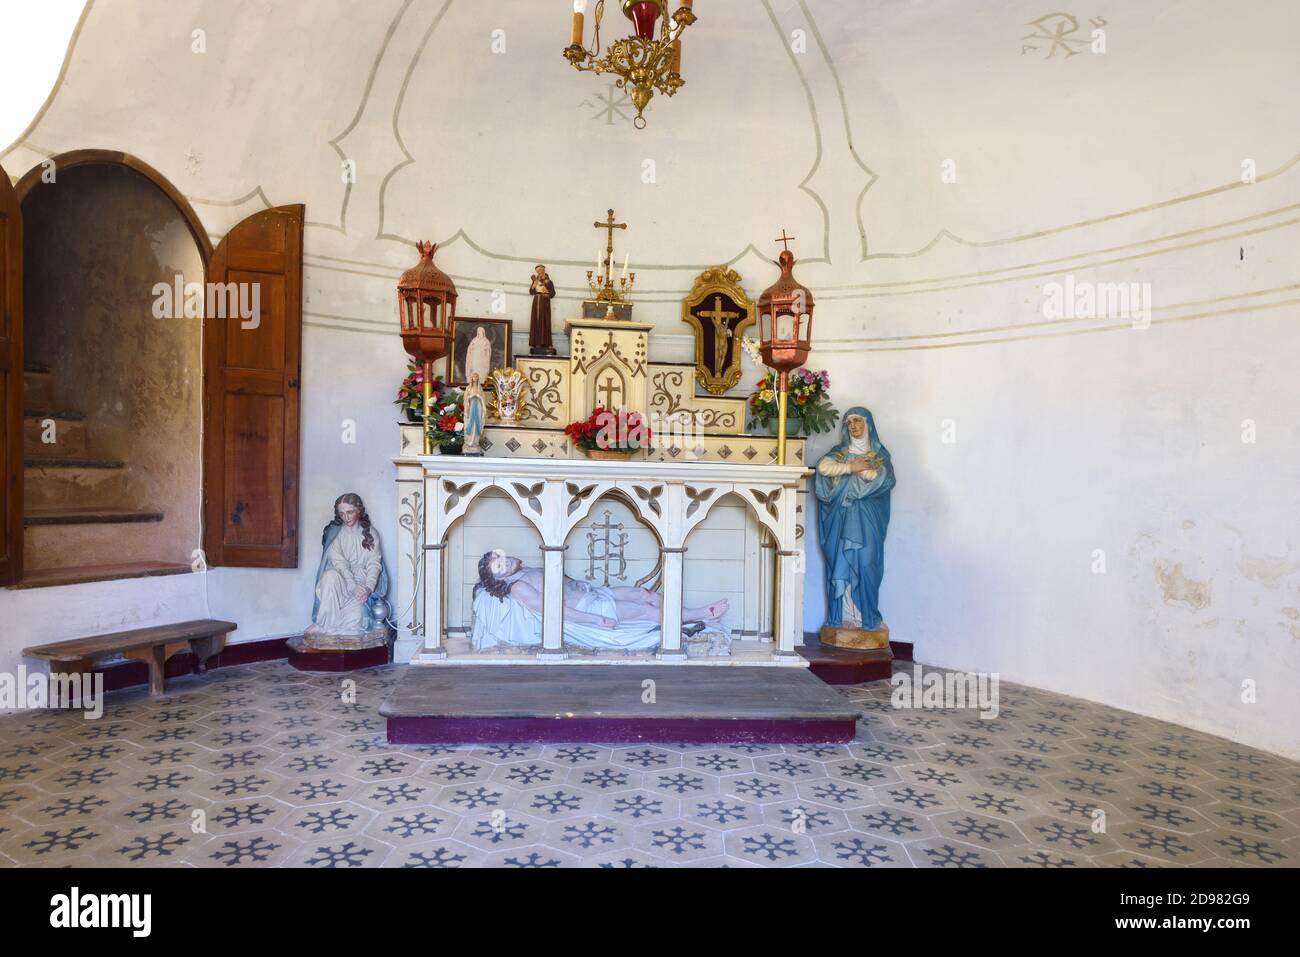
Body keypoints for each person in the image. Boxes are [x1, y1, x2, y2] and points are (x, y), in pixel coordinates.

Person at [470, 549, 728, 650]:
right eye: (499, 565)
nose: (507, 561)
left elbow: (560, 585)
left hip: (590, 594)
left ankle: (688, 613)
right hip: (587, 608)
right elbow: (555, 611)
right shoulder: (518, 588)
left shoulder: (525, 571)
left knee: (644, 594)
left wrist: (577, 583)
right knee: (644, 612)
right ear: (500, 577)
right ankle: (699, 615)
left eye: (501, 557)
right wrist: (596, 619)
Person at [813, 407, 895, 630]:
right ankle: (843, 617)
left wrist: (864, 474)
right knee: (841, 564)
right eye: (849, 423)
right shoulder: (840, 453)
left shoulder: (879, 456)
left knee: (867, 563)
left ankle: (867, 617)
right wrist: (851, 467)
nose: (854, 426)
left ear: (868, 424)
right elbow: (822, 468)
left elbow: (885, 481)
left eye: (858, 421)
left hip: (868, 521)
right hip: (841, 520)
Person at [305, 493, 389, 636]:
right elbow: (339, 564)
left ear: (359, 511)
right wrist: (351, 586)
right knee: (330, 576)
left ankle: (332, 631)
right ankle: (323, 624)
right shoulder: (336, 534)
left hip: (362, 585)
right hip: (341, 583)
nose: (346, 517)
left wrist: (367, 588)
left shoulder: (371, 533)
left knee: (357, 620)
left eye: (349, 512)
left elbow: (374, 563)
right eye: (342, 514)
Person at [528, 264, 556, 356]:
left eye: (540, 270)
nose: (539, 272)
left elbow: (552, 293)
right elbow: (531, 292)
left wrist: (545, 293)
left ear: (543, 270)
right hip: (536, 302)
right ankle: (537, 343)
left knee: (545, 322)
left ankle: (546, 343)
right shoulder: (536, 281)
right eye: (537, 270)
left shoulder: (548, 281)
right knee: (536, 321)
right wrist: (534, 285)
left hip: (544, 303)